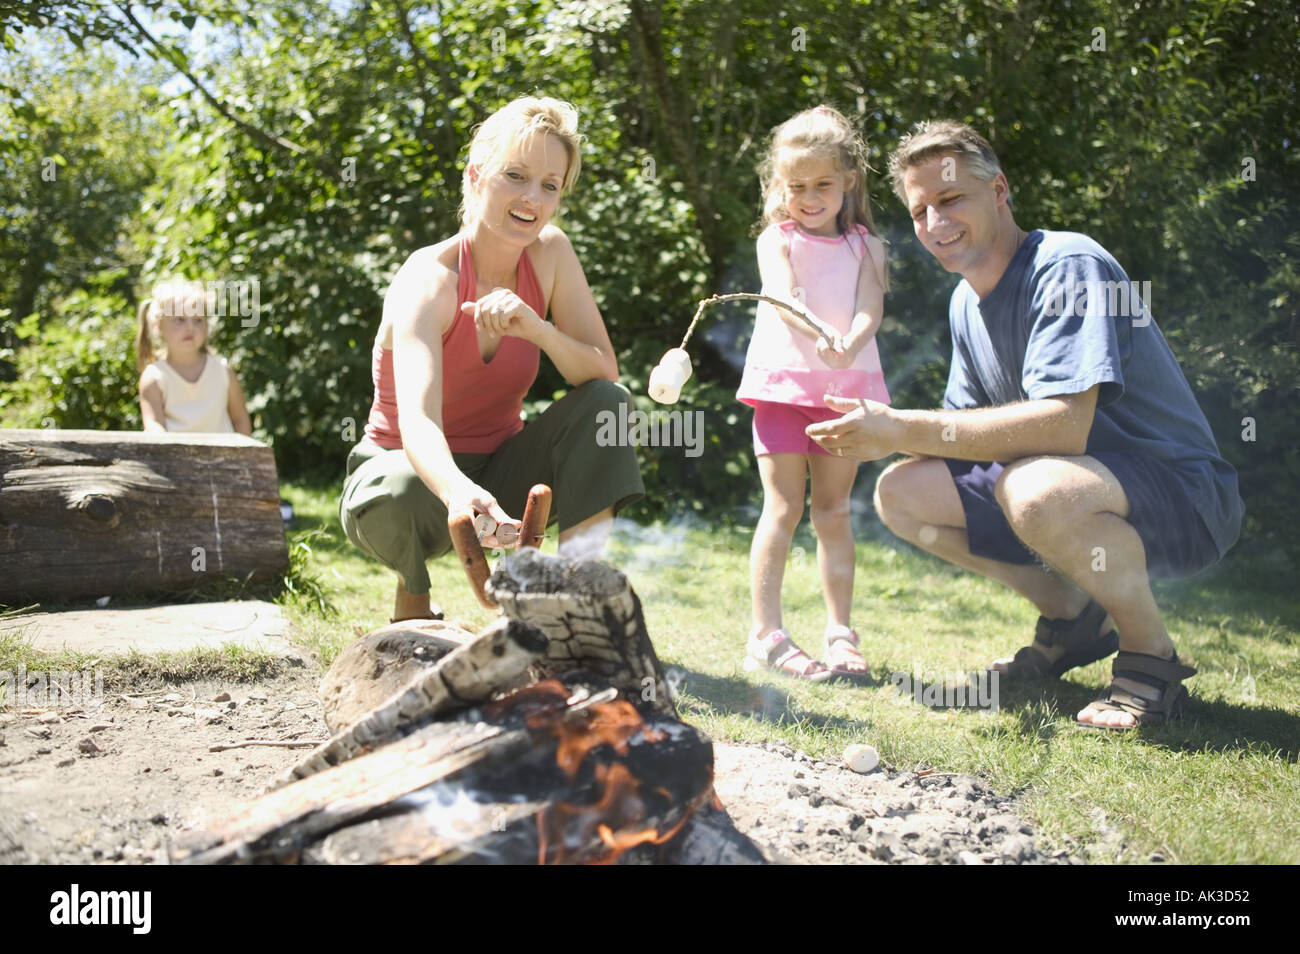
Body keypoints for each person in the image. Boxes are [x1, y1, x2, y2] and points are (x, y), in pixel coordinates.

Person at [807, 121, 1244, 728]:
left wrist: (902, 427)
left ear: (1000, 190)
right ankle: (1071, 619)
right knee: (900, 492)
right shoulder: (965, 301)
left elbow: (1065, 426)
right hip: (1073, 490)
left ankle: (1152, 658)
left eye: (952, 198)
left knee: (1032, 488)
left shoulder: (1066, 265)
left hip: (1183, 496)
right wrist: (868, 428)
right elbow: (963, 431)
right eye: (920, 209)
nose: (935, 223)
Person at [339, 97, 644, 623]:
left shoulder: (551, 253)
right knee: (408, 488)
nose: (532, 197)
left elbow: (601, 373)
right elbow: (417, 423)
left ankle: (570, 606)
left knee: (608, 406)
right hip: (399, 477)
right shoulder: (428, 281)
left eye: (550, 185)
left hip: (500, 468)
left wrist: (538, 328)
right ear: (477, 175)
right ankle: (412, 603)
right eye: (516, 175)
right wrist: (458, 491)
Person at [736, 105, 890, 682]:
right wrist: (821, 333)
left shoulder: (867, 248)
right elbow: (782, 296)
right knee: (783, 506)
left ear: (848, 179)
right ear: (780, 184)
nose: (809, 196)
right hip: (783, 388)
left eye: (823, 184)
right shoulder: (776, 240)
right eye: (796, 185)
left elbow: (870, 308)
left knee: (832, 509)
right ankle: (766, 633)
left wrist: (849, 340)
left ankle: (840, 633)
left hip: (844, 391)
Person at [137, 279, 251, 435]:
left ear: (207, 327)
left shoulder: (223, 372)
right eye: (180, 319)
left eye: (198, 320)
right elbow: (153, 424)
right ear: (158, 326)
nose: (190, 327)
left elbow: (240, 419)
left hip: (225, 459)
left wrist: (243, 456)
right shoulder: (154, 378)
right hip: (176, 459)